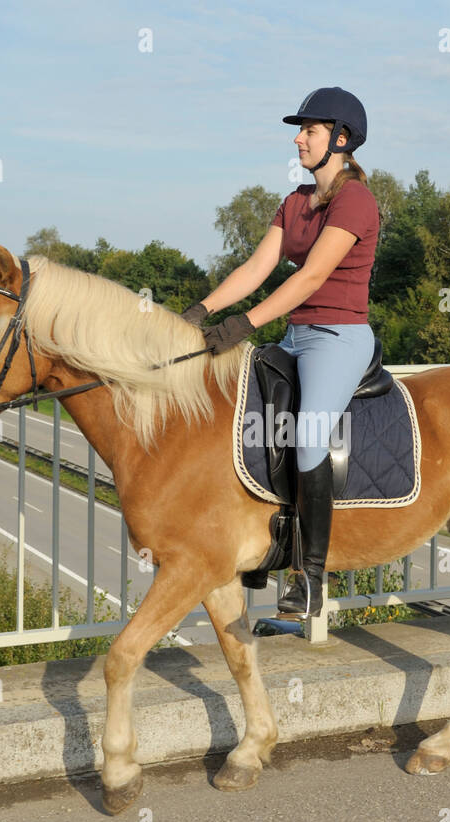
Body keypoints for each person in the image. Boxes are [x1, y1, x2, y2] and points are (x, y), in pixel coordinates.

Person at [181, 87, 380, 619]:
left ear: (339, 139)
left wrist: (244, 323)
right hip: (293, 335)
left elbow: (313, 275)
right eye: (300, 130)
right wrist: (200, 312)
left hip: (337, 338)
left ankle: (310, 578)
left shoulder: (355, 201)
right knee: (241, 414)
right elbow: (255, 268)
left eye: (310, 130)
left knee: (310, 433)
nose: (298, 138)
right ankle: (259, 541)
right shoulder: (294, 202)